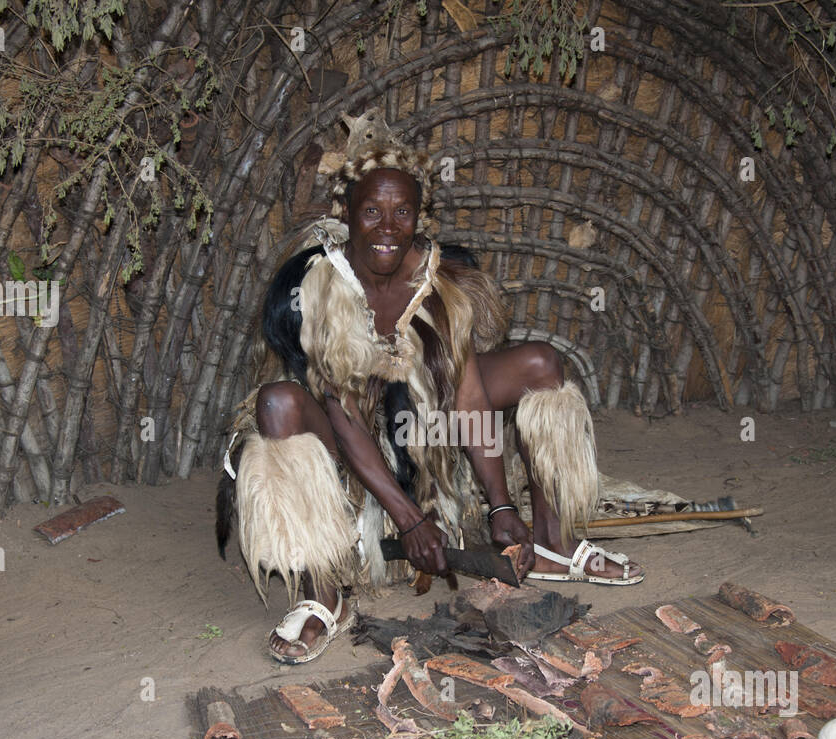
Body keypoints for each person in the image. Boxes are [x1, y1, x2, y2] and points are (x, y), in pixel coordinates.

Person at [217, 133, 642, 664]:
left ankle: (549, 541)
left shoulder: (441, 281)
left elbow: (466, 398)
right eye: (372, 211)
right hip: (347, 440)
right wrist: (411, 521)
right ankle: (323, 589)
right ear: (346, 212)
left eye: (403, 212)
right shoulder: (320, 285)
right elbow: (344, 418)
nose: (388, 228)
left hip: (425, 422)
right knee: (277, 405)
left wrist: (500, 505)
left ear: (421, 216)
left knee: (541, 363)